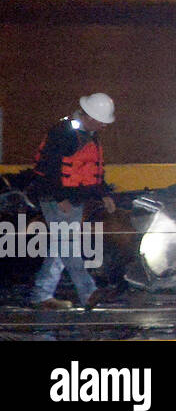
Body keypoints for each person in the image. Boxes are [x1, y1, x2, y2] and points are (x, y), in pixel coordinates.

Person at [28, 93, 117, 310]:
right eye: (102, 121)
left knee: (61, 246)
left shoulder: (89, 134)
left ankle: (42, 294)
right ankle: (88, 292)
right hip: (57, 199)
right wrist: (60, 198)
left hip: (74, 200)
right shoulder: (63, 133)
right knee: (67, 245)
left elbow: (92, 169)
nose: (105, 126)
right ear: (90, 116)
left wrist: (103, 193)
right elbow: (47, 168)